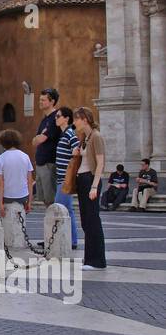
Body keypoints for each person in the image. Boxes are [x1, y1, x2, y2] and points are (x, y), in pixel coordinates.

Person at [73, 107, 106, 270]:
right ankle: (89, 259)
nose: (74, 122)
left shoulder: (96, 137)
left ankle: (97, 261)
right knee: (86, 221)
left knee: (93, 219)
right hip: (82, 180)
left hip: (90, 180)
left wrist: (94, 186)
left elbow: (100, 163)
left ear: (85, 119)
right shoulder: (85, 138)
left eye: (76, 119)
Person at [54, 106, 80, 250]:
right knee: (67, 209)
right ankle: (71, 239)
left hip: (65, 178)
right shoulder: (64, 134)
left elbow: (77, 152)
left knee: (62, 208)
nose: (56, 118)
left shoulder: (70, 134)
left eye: (58, 116)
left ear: (66, 118)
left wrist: (71, 174)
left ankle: (70, 240)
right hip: (62, 178)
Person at [0, 129, 34, 224]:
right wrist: (30, 201)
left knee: (8, 225)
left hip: (7, 197)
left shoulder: (1, 159)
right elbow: (30, 181)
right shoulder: (25, 157)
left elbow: (0, 184)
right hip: (23, 196)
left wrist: (0, 203)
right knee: (21, 225)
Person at [32, 87, 60, 206]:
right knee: (44, 199)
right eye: (40, 99)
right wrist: (39, 137)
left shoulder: (55, 118)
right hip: (40, 163)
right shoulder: (44, 120)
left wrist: (40, 137)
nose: (40, 102)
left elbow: (41, 138)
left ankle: (56, 223)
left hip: (49, 164)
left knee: (51, 199)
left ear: (52, 101)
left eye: (43, 100)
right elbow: (34, 141)